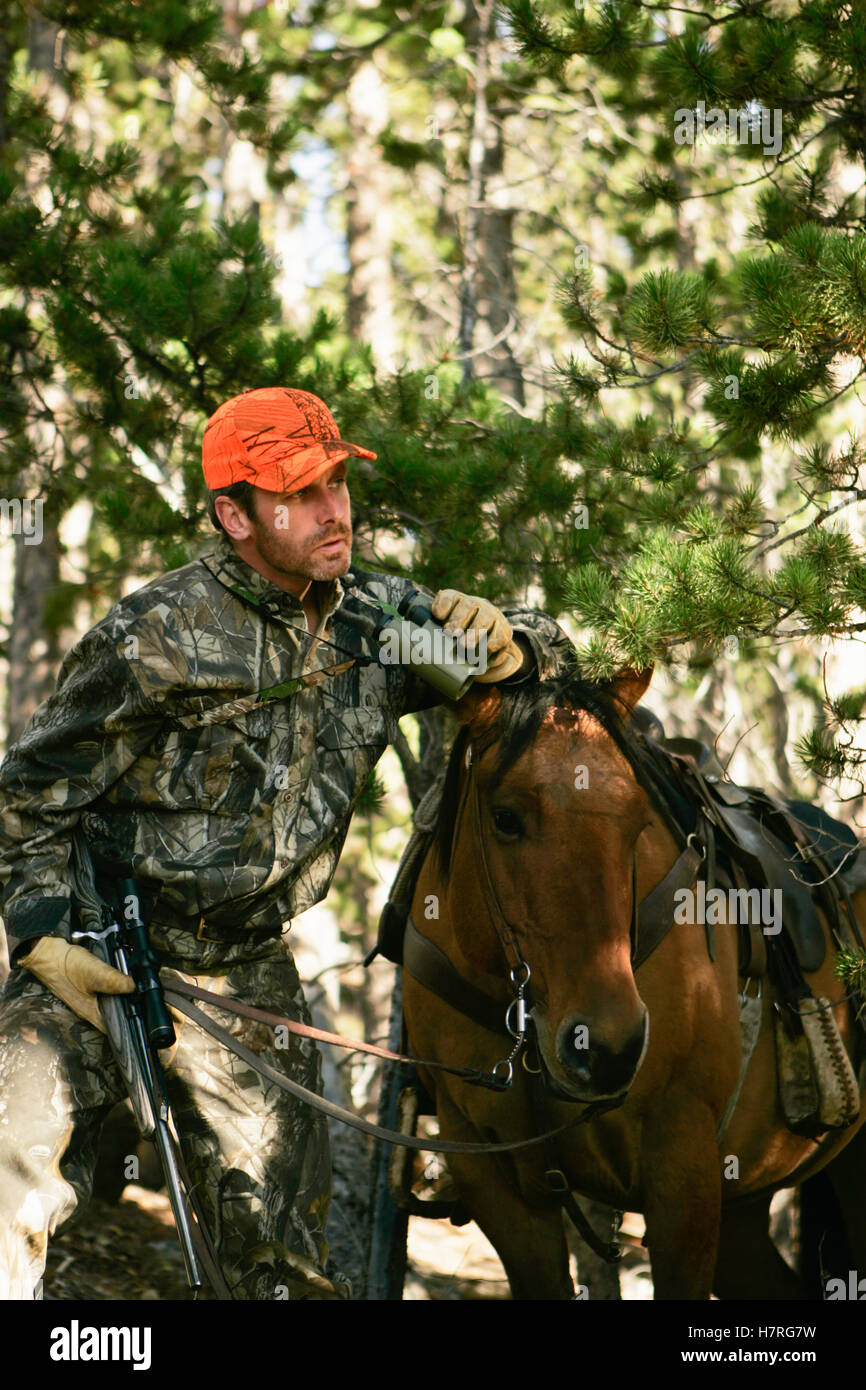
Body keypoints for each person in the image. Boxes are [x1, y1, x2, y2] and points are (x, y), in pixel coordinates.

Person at [0, 387, 572, 1300]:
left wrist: (515, 642)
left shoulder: (381, 622)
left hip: (247, 975)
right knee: (8, 1180)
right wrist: (40, 937)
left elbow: (543, 662)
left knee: (281, 1270)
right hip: (100, 954)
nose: (333, 510)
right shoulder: (155, 635)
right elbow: (29, 792)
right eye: (298, 494)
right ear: (235, 516)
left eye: (337, 483)